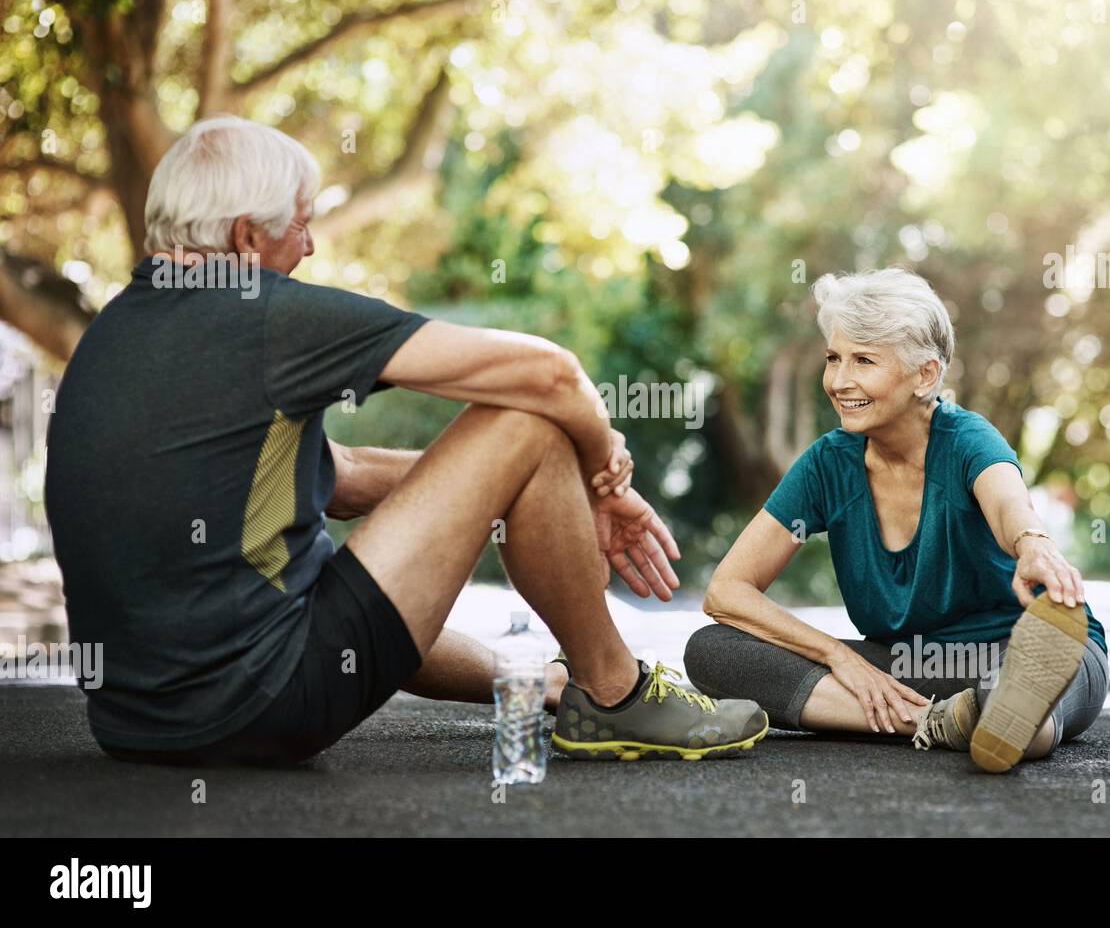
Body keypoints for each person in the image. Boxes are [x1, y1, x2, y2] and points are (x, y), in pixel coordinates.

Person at [44, 115, 767, 767]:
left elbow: (349, 475)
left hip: (137, 725)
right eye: (301, 224)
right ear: (245, 238)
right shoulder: (262, 315)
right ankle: (614, 692)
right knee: (530, 423)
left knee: (502, 464)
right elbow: (552, 374)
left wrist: (530, 492)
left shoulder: (114, 337)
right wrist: (604, 475)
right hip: (263, 704)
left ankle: (550, 682)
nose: (313, 244)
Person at [684, 268, 1108, 772]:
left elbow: (1007, 502)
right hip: (910, 666)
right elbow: (728, 592)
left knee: (1018, 697)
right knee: (712, 651)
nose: (840, 381)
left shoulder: (968, 440)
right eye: (833, 359)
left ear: (925, 375)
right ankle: (941, 723)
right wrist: (843, 658)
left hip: (1015, 652)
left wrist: (1033, 544)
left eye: (863, 360)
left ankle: (1006, 717)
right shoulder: (829, 464)